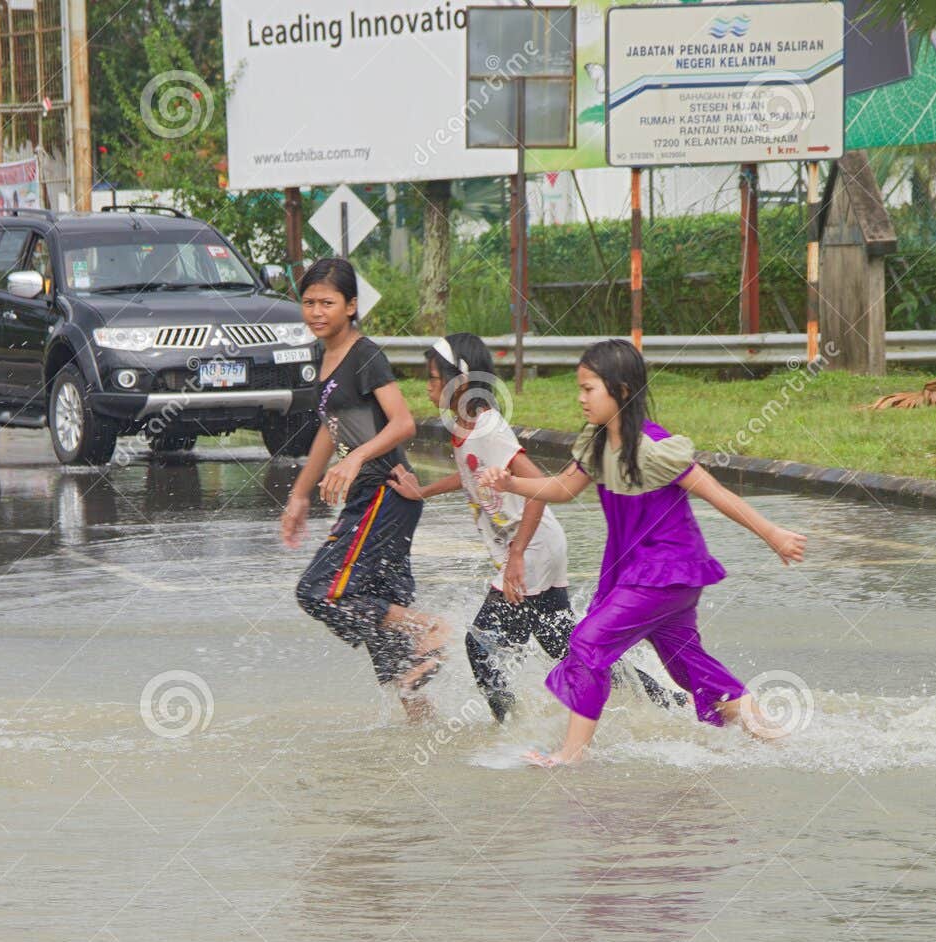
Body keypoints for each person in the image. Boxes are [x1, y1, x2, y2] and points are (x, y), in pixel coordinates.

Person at [478, 339, 807, 766]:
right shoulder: (597, 443)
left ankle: (571, 755)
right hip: (645, 575)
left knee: (587, 642)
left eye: (588, 388)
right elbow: (560, 488)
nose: (580, 398)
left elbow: (717, 493)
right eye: (579, 388)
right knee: (688, 668)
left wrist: (772, 533)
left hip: (664, 571)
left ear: (621, 388)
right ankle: (779, 741)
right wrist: (509, 484)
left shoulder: (654, 448)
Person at [391, 334, 685, 724]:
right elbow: (471, 475)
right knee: (566, 646)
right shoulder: (463, 430)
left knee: (480, 646)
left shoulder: (488, 428)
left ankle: (512, 728)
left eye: (431, 378)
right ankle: (665, 700)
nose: (426, 387)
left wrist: (515, 556)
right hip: (536, 546)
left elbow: (539, 488)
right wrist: (423, 491)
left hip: (531, 549)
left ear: (459, 382)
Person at [281, 257, 448, 718]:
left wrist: (355, 458)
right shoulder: (324, 356)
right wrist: (299, 494)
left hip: (384, 493)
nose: (316, 311)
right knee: (384, 634)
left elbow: (403, 424)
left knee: (319, 591)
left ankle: (432, 627)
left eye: (327, 303)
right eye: (309, 302)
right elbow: (327, 429)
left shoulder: (365, 355)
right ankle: (424, 728)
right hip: (375, 498)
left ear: (351, 306)